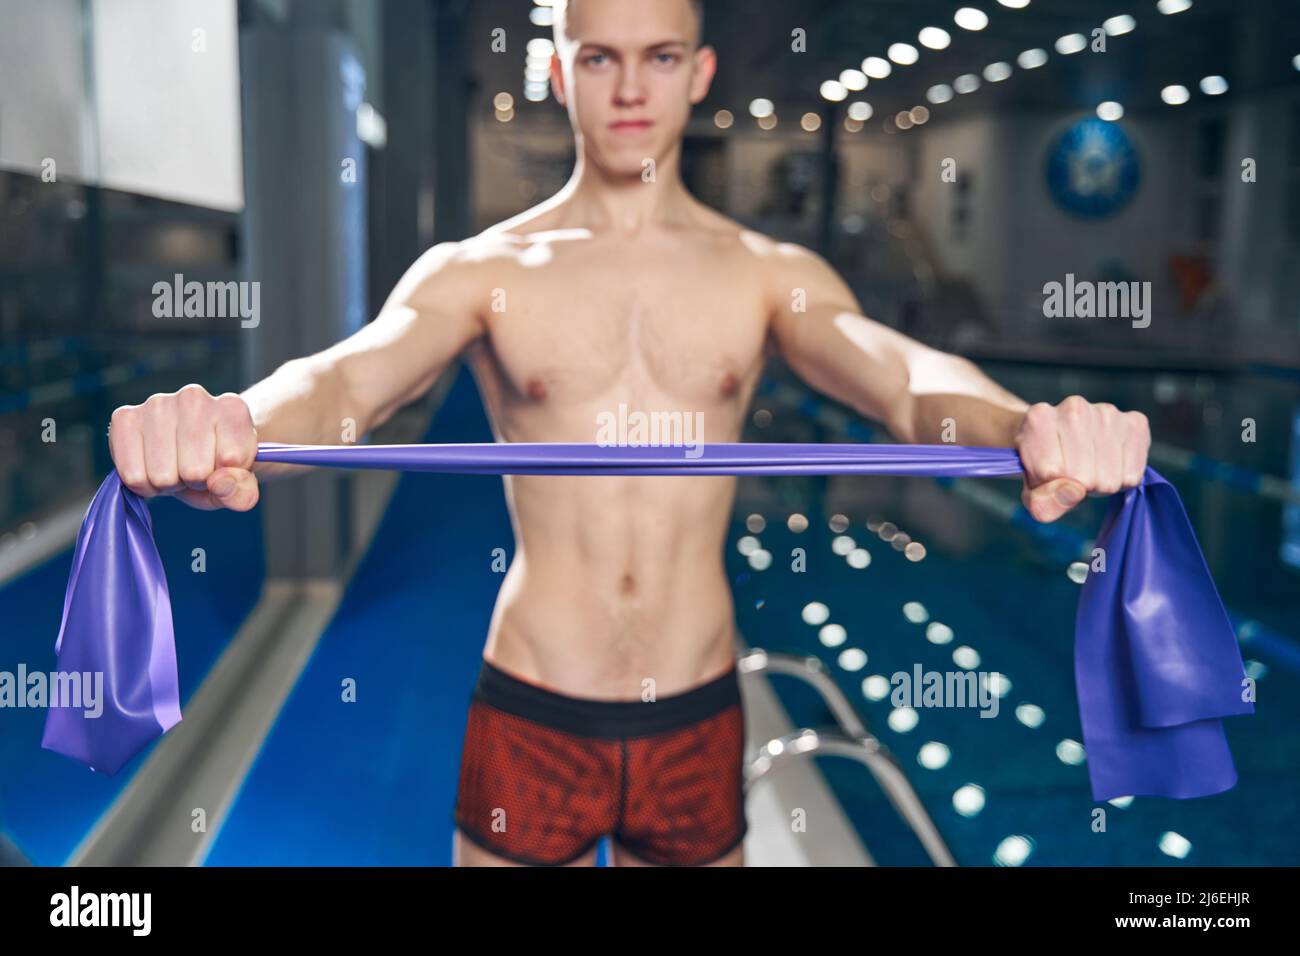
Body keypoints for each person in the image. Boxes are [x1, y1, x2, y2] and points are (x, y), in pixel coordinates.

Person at [105, 0, 1151, 867]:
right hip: (533, 703)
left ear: (698, 74)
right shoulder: (483, 269)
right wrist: (239, 423)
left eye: (657, 58)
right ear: (559, 71)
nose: (630, 90)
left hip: (695, 708)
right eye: (598, 57)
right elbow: (346, 383)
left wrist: (1024, 424)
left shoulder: (762, 271)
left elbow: (905, 382)